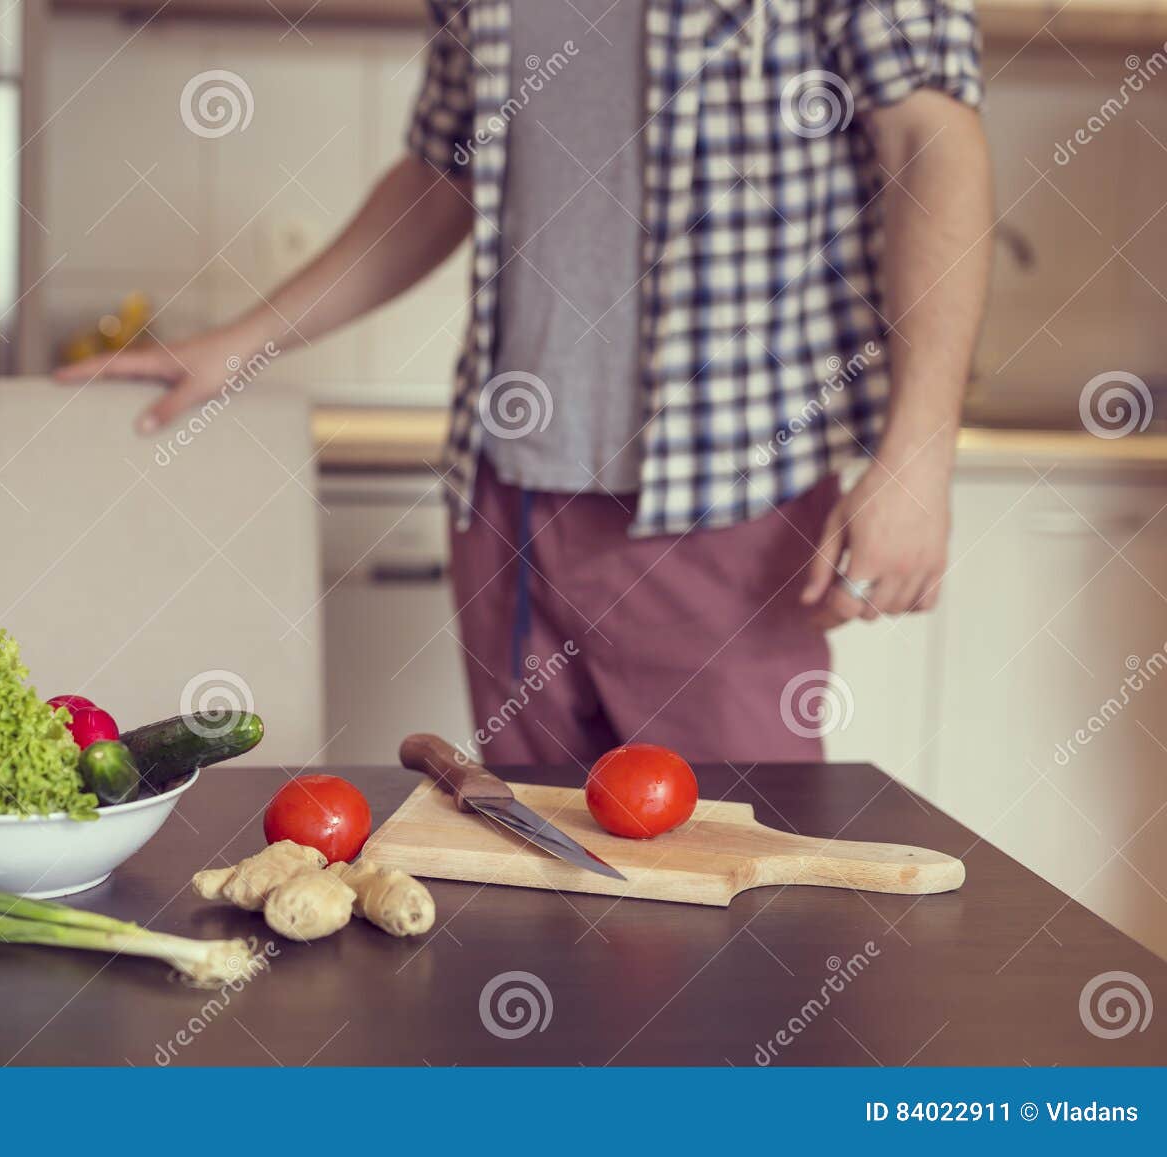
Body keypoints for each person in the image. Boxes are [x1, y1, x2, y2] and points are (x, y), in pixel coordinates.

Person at [58, 0, 993, 766]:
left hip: (724, 512)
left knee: (740, 905)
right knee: (540, 882)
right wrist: (241, 342)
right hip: (504, 510)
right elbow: (441, 178)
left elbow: (931, 140)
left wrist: (917, 458)